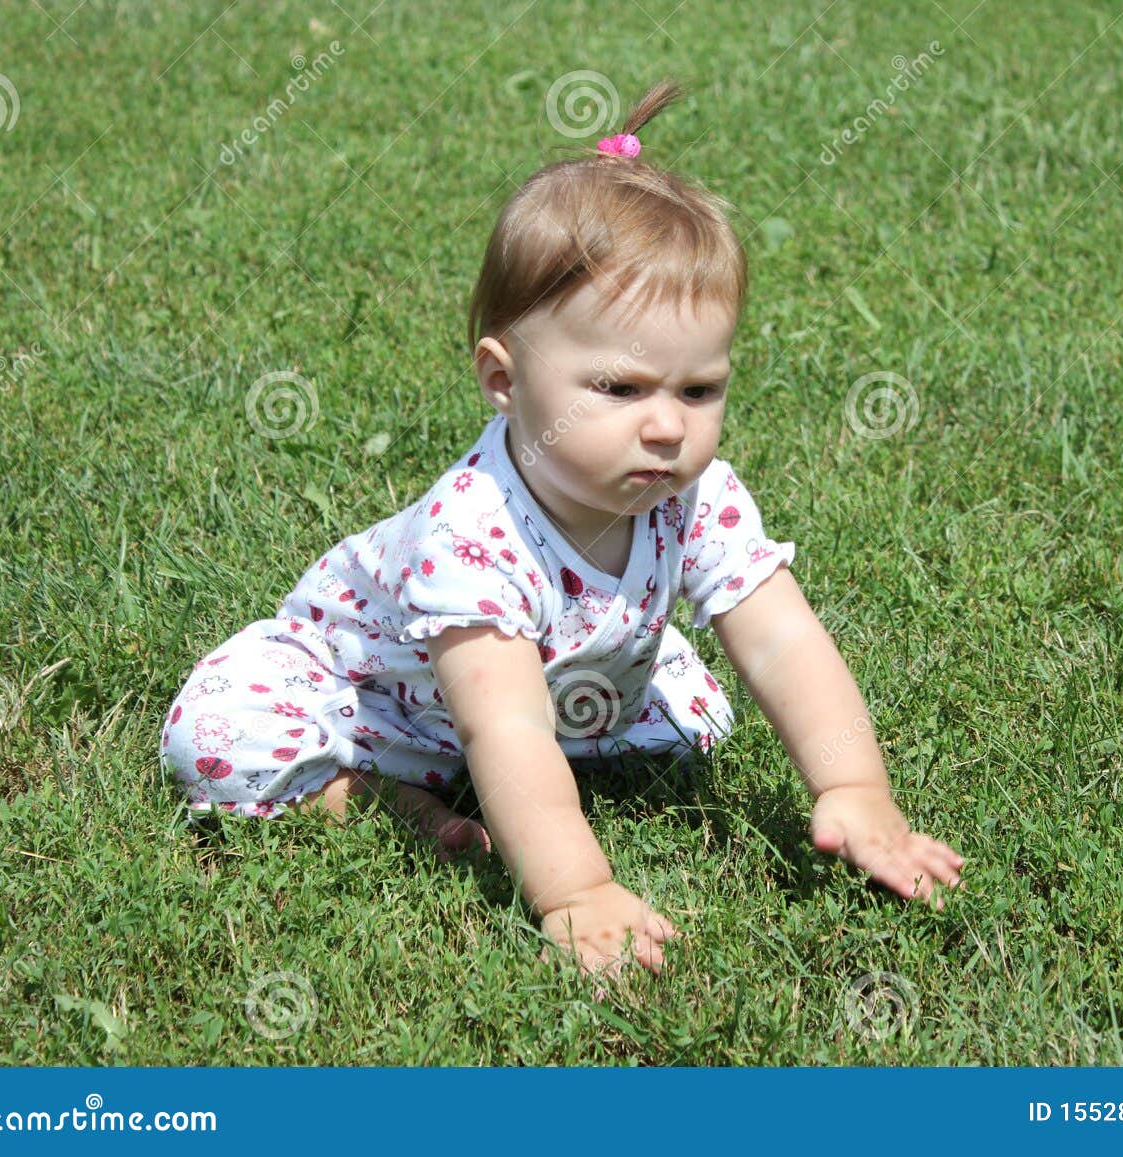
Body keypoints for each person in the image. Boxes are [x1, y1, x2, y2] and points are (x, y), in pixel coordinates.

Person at [160, 78, 964, 979]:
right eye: (620, 389)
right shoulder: (473, 535)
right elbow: (502, 723)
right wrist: (577, 892)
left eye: (699, 389)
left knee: (696, 722)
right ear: (505, 382)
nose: (668, 426)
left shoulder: (695, 492)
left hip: (572, 681)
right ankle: (374, 795)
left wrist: (853, 785)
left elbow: (782, 639)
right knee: (217, 742)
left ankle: (548, 749)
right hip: (374, 694)